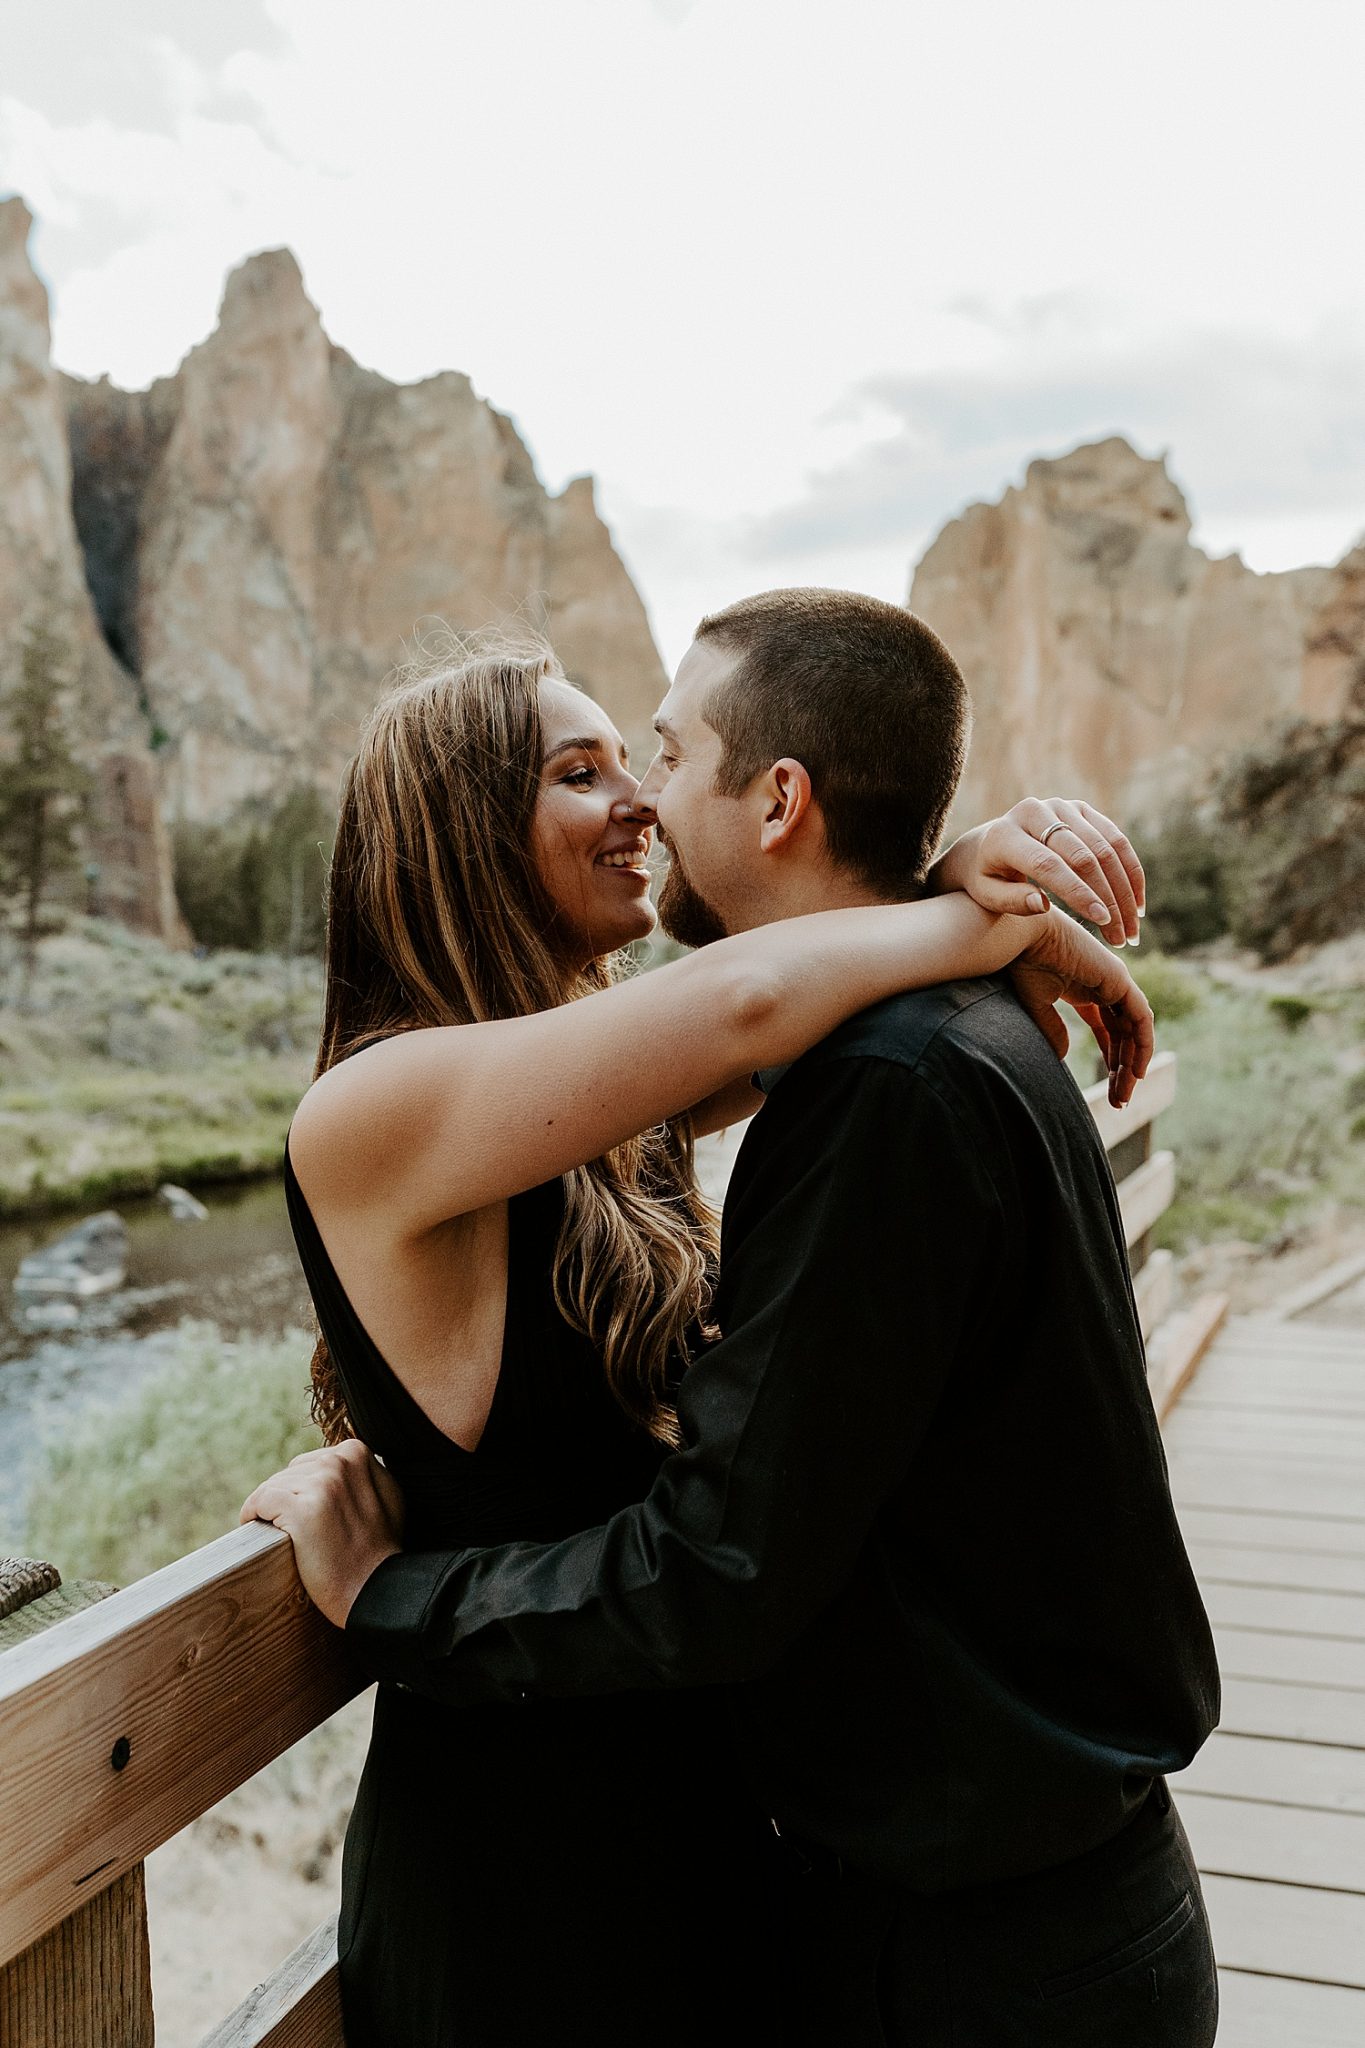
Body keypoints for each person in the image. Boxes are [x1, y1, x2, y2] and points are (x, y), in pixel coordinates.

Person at [244, 602, 1180, 2046]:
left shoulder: (596, 1103)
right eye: (578, 772)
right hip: (525, 1860)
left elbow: (789, 981)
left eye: (641, 758)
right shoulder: (375, 1109)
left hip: (703, 1817)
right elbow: (752, 1000)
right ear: (453, 825)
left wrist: (948, 892)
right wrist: (971, 914)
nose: (636, 804)